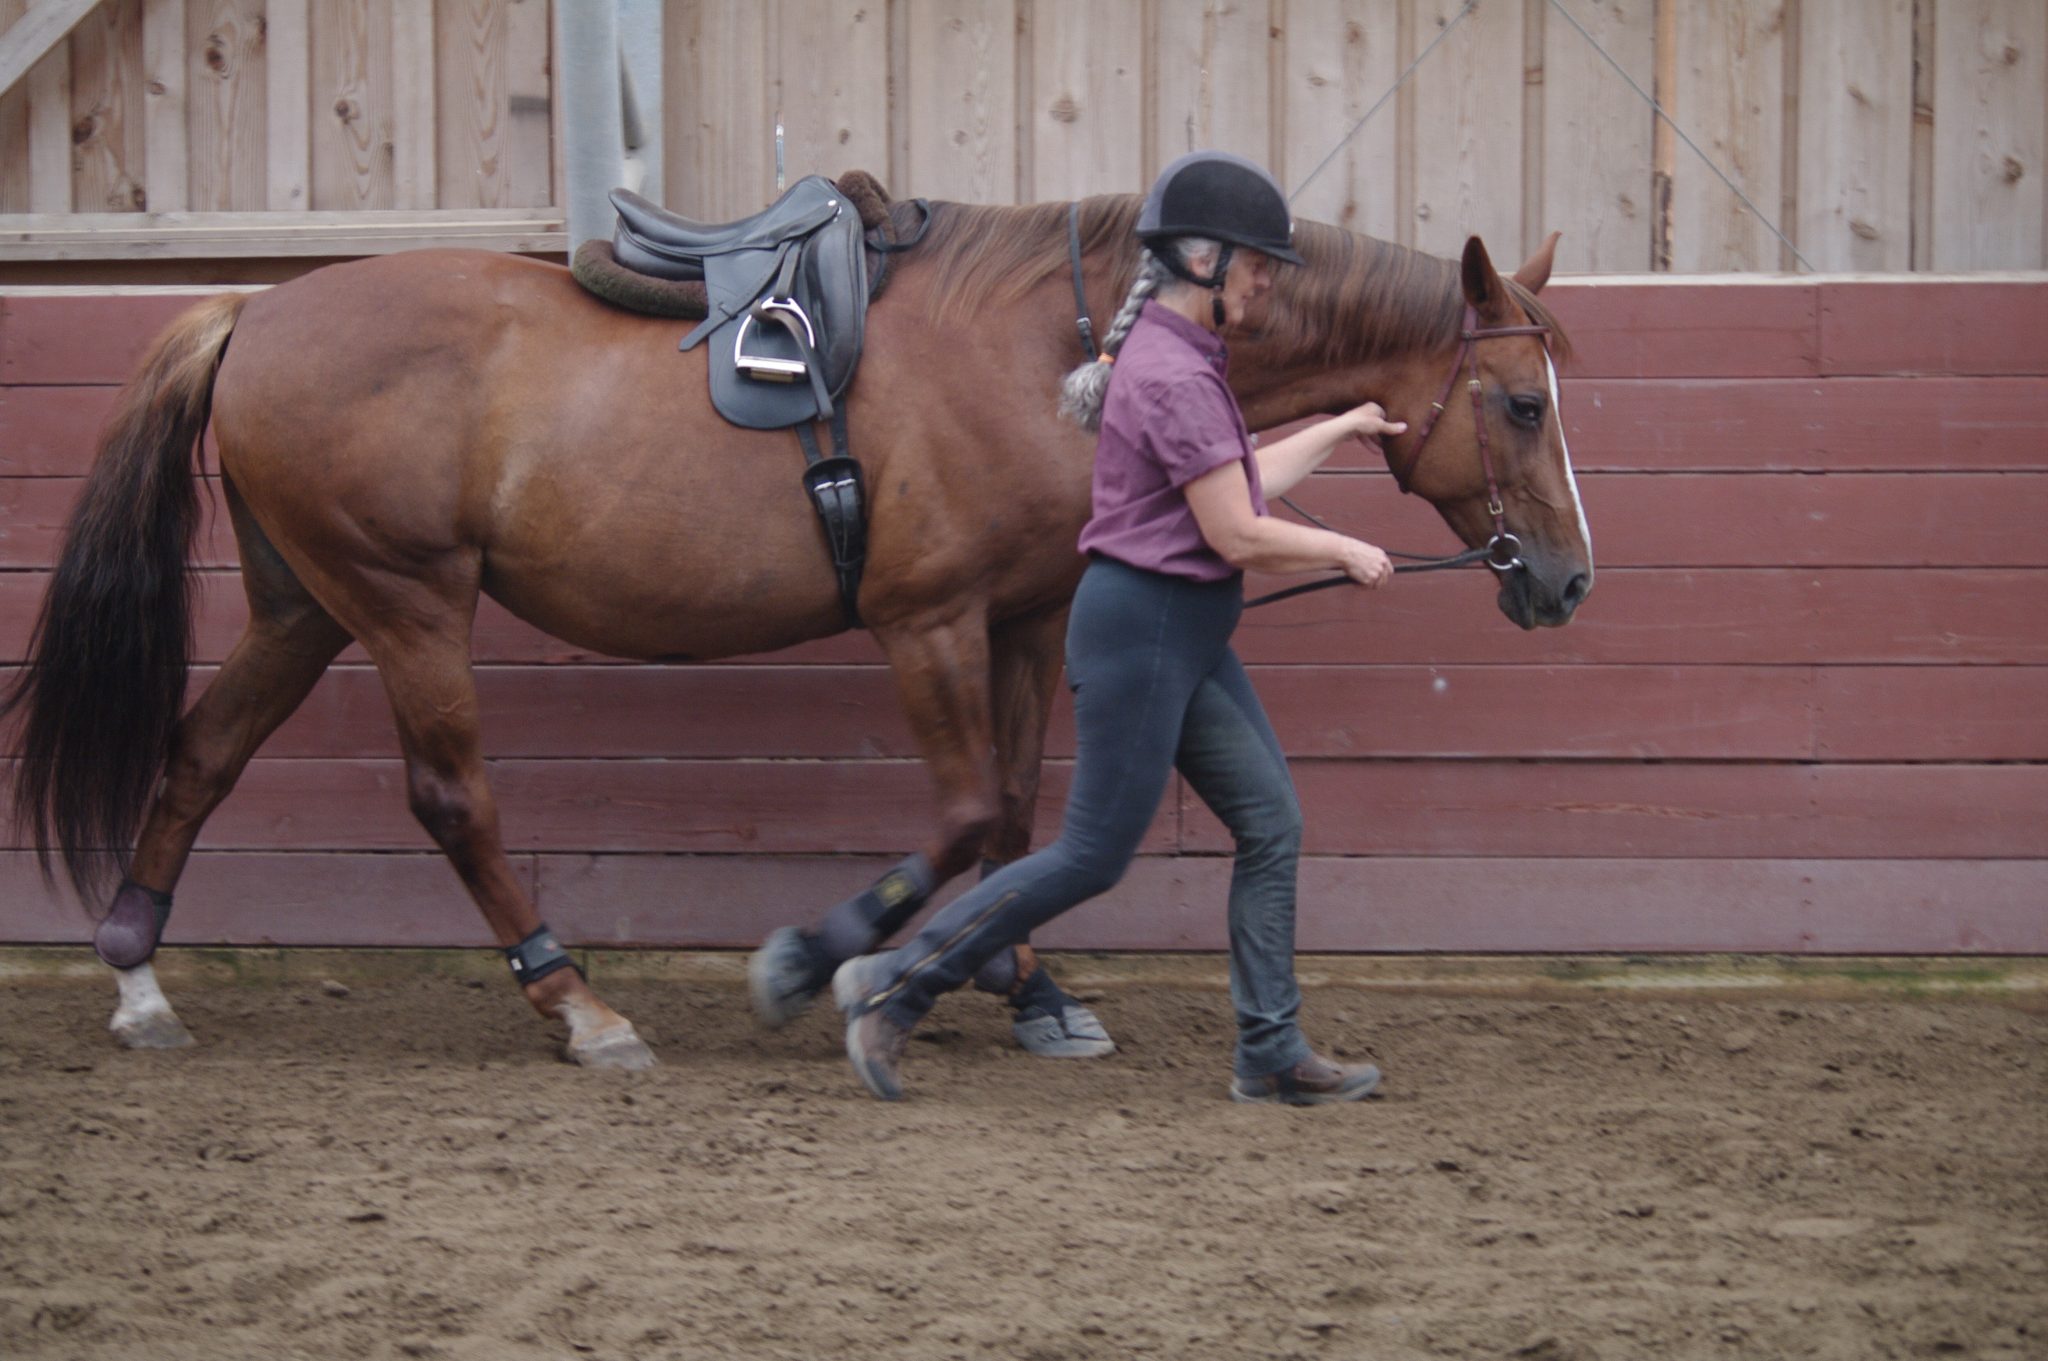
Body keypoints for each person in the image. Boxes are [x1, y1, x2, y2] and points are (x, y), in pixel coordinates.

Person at [830, 150, 1408, 1103]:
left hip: (1182, 630)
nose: (1268, 280)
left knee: (1270, 823)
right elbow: (1235, 529)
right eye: (1257, 263)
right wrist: (1342, 552)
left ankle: (1270, 1049)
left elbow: (1240, 480)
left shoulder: (1184, 359)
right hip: (1144, 631)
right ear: (1203, 262)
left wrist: (1342, 423)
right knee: (1093, 855)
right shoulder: (1174, 375)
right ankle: (896, 982)